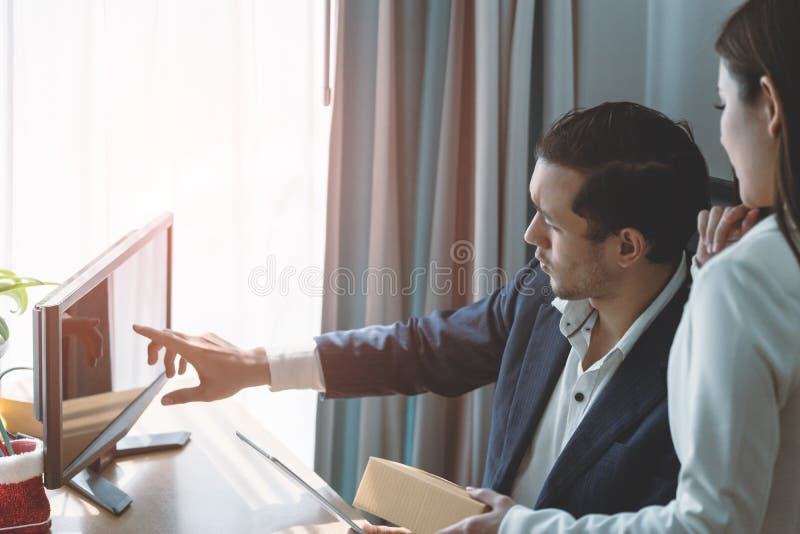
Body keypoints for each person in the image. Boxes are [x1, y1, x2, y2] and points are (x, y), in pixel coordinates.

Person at [134, 102, 711, 518]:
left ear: (628, 246)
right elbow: (425, 348)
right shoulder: (542, 294)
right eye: (536, 208)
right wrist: (255, 365)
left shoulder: (703, 367)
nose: (530, 234)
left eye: (553, 224)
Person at [436, 0, 800, 532]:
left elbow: (710, 524)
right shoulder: (742, 276)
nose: (722, 135)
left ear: (769, 105)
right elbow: (431, 343)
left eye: (723, 107)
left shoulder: (740, 281)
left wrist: (515, 527)